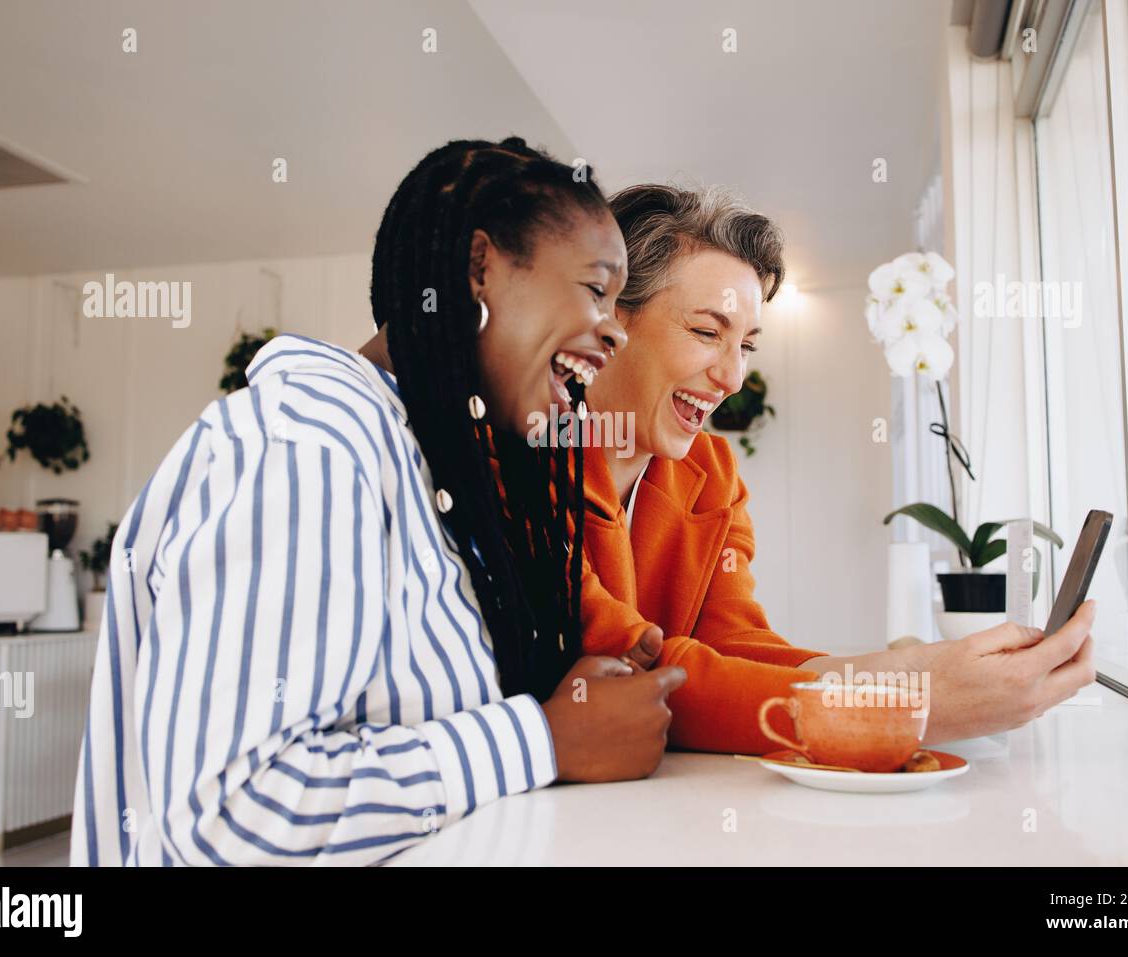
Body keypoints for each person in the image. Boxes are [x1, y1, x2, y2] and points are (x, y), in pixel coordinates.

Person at [72, 138, 686, 866]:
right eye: (595, 289)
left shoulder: (422, 464)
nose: (615, 330)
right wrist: (544, 739)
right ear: (479, 268)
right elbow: (233, 811)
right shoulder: (307, 442)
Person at [576, 183, 1096, 755]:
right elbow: (636, 674)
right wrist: (913, 703)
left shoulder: (711, 470)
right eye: (706, 332)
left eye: (747, 345)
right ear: (610, 320)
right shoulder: (522, 457)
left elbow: (737, 646)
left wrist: (917, 669)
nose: (731, 377)